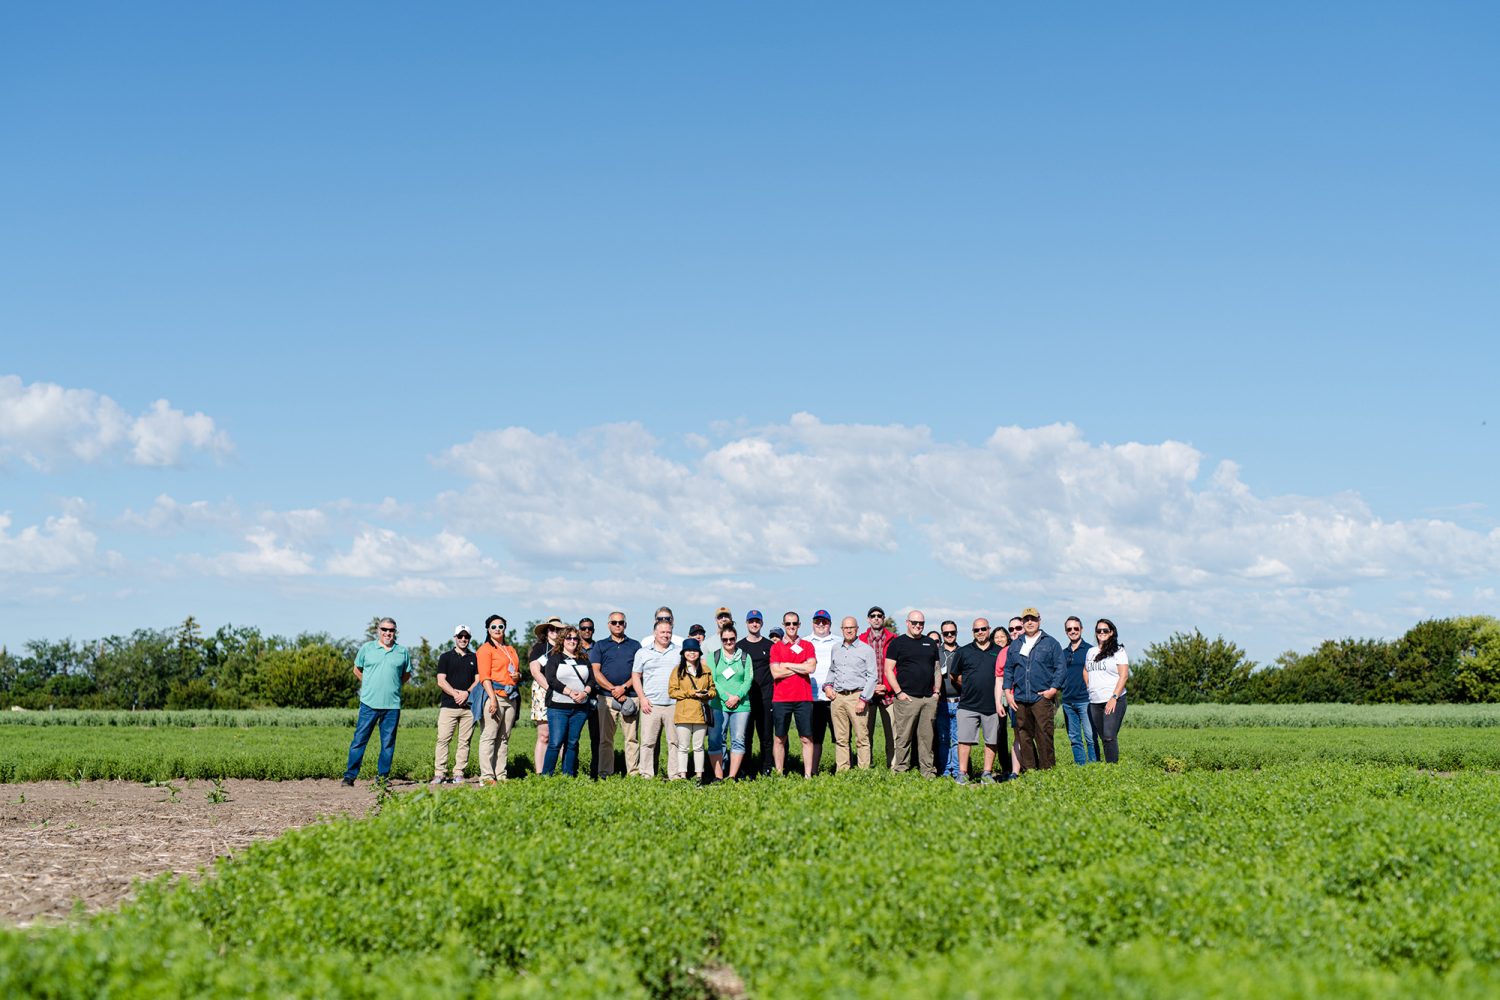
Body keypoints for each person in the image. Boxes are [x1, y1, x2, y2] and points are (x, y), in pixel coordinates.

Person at [342, 617, 411, 786]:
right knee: (359, 740)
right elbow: (357, 669)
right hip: (369, 704)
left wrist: (394, 685)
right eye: (384, 629)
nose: (388, 633)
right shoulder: (367, 648)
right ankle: (350, 776)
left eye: (391, 630)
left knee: (387, 744)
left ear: (395, 632)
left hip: (392, 706)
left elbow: (406, 674)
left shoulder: (402, 652)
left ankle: (383, 777)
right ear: (378, 630)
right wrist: (368, 684)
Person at [1001, 607, 1064, 772]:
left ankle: (1047, 771)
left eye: (1033, 619)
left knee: (1044, 735)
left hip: (1041, 697)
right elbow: (1008, 669)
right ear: (1022, 622)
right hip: (1020, 698)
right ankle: (1030, 771)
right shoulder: (1016, 644)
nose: (1030, 622)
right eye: (1027, 619)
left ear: (1039, 620)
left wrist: (1053, 689)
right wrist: (1007, 692)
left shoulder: (1051, 643)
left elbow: (1060, 668)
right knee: (1024, 735)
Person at [884, 610, 940, 777]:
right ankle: (901, 770)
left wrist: (936, 692)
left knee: (927, 738)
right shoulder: (897, 643)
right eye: (914, 623)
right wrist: (899, 692)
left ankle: (928, 772)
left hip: (928, 698)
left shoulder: (930, 643)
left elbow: (937, 669)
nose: (918, 626)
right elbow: (888, 670)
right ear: (907, 623)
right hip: (907, 698)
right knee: (903, 738)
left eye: (921, 623)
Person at [589, 611, 641, 778]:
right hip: (606, 698)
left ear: (625, 624)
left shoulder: (635, 645)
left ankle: (633, 774)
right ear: (608, 625)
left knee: (632, 739)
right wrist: (613, 689)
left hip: (630, 697)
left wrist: (624, 688)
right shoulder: (600, 645)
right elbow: (596, 672)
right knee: (605, 739)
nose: (617, 625)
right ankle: (605, 773)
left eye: (620, 622)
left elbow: (638, 671)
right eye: (614, 622)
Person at [823, 616, 878, 771]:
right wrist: (827, 686)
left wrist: (863, 699)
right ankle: (843, 771)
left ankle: (863, 772)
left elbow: (872, 676)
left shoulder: (866, 650)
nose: (848, 630)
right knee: (841, 738)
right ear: (841, 629)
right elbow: (832, 670)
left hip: (857, 696)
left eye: (851, 627)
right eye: (845, 628)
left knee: (862, 738)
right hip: (838, 697)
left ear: (857, 629)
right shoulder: (836, 648)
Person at [953, 617, 1004, 783]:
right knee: (965, 740)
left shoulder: (1000, 651)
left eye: (983, 629)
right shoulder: (964, 651)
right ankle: (962, 773)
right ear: (972, 632)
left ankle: (987, 773)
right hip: (968, 704)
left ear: (989, 629)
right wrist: (968, 685)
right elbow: (954, 675)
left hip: (992, 705)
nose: (980, 632)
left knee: (991, 740)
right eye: (977, 630)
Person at [541, 626, 594, 777]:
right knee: (555, 743)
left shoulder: (584, 659)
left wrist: (584, 693)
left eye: (575, 638)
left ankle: (568, 776)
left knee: (572, 743)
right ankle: (546, 777)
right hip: (558, 708)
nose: (572, 641)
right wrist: (570, 692)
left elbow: (591, 680)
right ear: (562, 640)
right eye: (569, 638)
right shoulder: (554, 658)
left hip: (579, 709)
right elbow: (551, 680)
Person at [632, 617, 681, 778]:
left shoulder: (678, 652)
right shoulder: (643, 652)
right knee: (647, 742)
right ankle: (646, 774)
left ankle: (674, 775)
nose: (666, 635)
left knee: (674, 742)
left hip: (673, 704)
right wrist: (642, 698)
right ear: (655, 633)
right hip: (650, 704)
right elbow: (636, 676)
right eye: (662, 632)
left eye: (669, 632)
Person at [770, 611, 817, 777]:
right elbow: (776, 673)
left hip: (803, 698)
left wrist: (787, 665)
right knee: (779, 738)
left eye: (794, 623)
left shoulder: (807, 646)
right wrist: (800, 666)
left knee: (806, 738)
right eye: (788, 624)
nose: (791, 627)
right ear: (784, 625)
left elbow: (811, 668)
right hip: (781, 699)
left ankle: (808, 775)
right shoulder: (776, 647)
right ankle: (779, 773)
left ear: (799, 625)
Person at [431, 625, 479, 785]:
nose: (463, 639)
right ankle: (440, 773)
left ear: (469, 639)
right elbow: (441, 680)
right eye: (460, 636)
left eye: (466, 637)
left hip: (468, 707)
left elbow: (478, 680)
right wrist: (456, 694)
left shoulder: (474, 657)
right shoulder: (445, 657)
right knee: (443, 739)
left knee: (464, 741)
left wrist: (466, 693)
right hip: (448, 706)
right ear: (455, 638)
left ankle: (459, 773)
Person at [476, 614, 521, 785]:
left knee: (504, 737)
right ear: (488, 629)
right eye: (493, 627)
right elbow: (484, 677)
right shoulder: (485, 649)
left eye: (500, 626)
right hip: (494, 695)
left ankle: (501, 774)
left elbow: (514, 672)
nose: (497, 630)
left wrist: (518, 675)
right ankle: (487, 776)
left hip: (511, 697)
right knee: (489, 736)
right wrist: (492, 699)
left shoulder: (510, 649)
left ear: (505, 629)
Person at [709, 621, 753, 780]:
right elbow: (712, 680)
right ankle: (718, 775)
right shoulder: (713, 656)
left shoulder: (744, 657)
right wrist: (727, 697)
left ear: (736, 638)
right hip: (718, 705)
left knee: (738, 740)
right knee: (716, 739)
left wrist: (737, 697)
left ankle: (732, 776)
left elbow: (748, 680)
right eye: (725, 639)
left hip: (741, 706)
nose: (728, 642)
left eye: (732, 639)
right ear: (721, 640)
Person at [667, 638, 716, 782]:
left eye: (694, 650)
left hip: (701, 714)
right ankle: (683, 776)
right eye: (688, 650)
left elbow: (713, 689)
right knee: (683, 747)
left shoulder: (706, 670)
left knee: (699, 747)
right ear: (683, 653)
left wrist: (707, 694)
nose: (692, 653)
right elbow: (672, 692)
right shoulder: (677, 670)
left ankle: (699, 776)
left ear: (699, 653)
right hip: (683, 713)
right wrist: (691, 693)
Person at [1085, 619, 1130, 763]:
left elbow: (1124, 676)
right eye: (1099, 630)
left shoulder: (1118, 651)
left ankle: (1112, 770)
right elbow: (1085, 670)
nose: (1101, 633)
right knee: (1104, 737)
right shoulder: (1091, 652)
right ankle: (1108, 767)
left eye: (1105, 630)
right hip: (1095, 702)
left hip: (1114, 700)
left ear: (1111, 632)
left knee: (1110, 735)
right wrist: (1089, 687)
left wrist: (1114, 697)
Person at [738, 610, 775, 776]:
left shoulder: (770, 646)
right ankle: (747, 769)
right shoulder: (739, 647)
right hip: (746, 699)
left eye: (757, 621)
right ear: (746, 623)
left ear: (761, 623)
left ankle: (767, 768)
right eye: (751, 621)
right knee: (746, 737)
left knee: (766, 736)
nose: (754, 624)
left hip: (766, 697)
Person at [859, 607, 896, 767]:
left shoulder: (894, 639)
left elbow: (897, 668)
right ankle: (866, 768)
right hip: (866, 695)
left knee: (893, 735)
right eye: (872, 616)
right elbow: (857, 668)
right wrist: (870, 688)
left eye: (879, 616)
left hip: (888, 694)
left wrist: (886, 687)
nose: (876, 618)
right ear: (868, 619)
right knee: (865, 734)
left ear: (883, 618)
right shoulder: (860, 640)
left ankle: (895, 768)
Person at [528, 617, 564, 774]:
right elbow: (535, 671)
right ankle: (540, 773)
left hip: (564, 690)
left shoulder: (568, 647)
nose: (555, 632)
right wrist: (551, 688)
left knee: (563, 734)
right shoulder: (539, 648)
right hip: (543, 691)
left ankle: (565, 772)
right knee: (544, 735)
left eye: (558, 629)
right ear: (546, 631)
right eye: (551, 629)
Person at [1060, 616, 1097, 765]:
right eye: (1069, 629)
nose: (1073, 631)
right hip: (1068, 702)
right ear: (1066, 631)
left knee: (1090, 736)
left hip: (1085, 700)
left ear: (1081, 629)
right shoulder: (1063, 653)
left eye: (1076, 628)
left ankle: (1094, 766)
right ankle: (1081, 767)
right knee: (1074, 738)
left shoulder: (1090, 650)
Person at [805, 609, 838, 774]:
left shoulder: (839, 641)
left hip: (835, 697)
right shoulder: (804, 642)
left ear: (829, 624)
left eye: (824, 622)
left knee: (841, 737)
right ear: (813, 623)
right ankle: (813, 771)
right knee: (815, 738)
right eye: (817, 621)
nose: (820, 624)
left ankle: (843, 769)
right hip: (813, 697)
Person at [936, 620, 962, 780]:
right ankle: (945, 771)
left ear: (956, 633)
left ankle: (958, 771)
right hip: (942, 703)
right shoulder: (937, 652)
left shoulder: (963, 652)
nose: (950, 635)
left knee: (958, 740)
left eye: (952, 632)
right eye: (946, 633)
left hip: (959, 702)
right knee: (943, 739)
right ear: (942, 634)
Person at [1003, 616, 1024, 777]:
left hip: (1035, 699)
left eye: (1018, 628)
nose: (1014, 631)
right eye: (1011, 629)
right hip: (1015, 699)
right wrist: (1007, 695)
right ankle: (1015, 772)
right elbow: (1003, 676)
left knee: (1038, 735)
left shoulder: (1035, 646)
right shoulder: (1006, 651)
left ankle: (1037, 769)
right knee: (1018, 735)